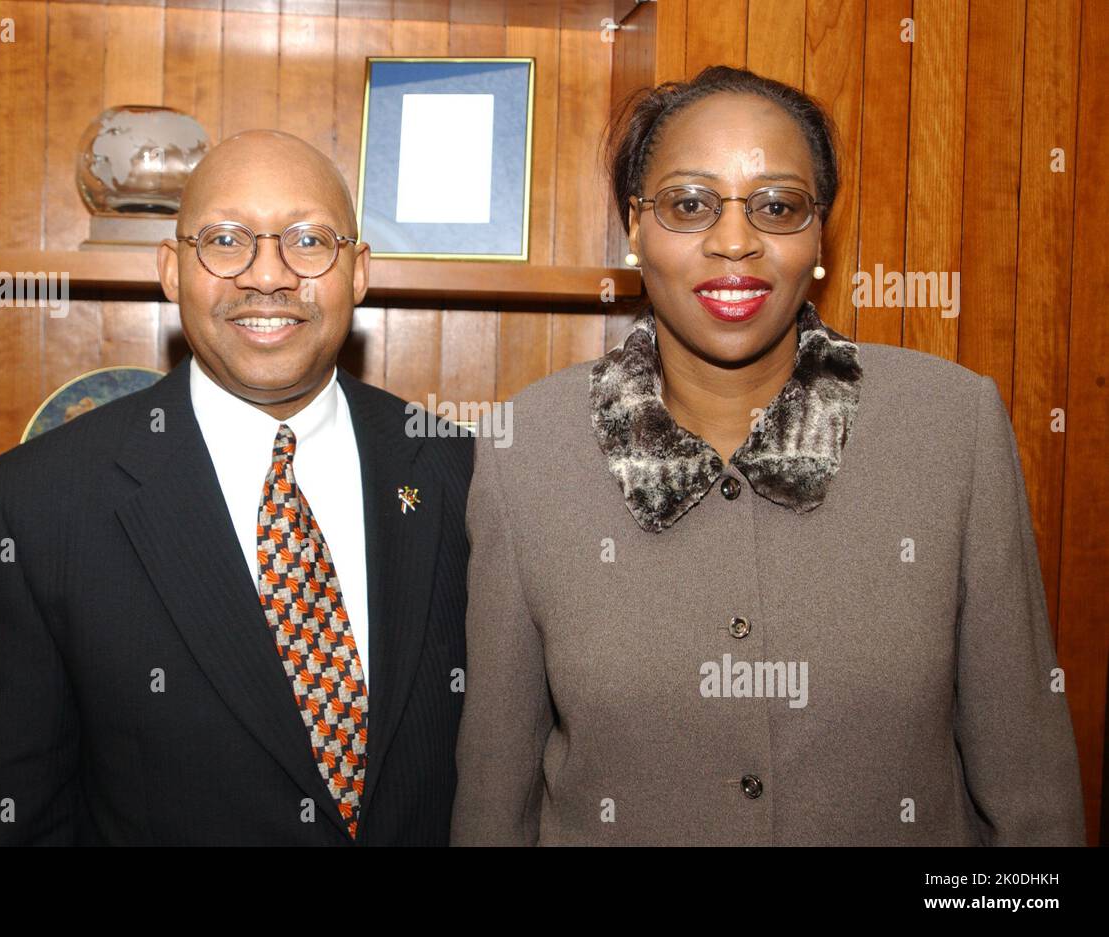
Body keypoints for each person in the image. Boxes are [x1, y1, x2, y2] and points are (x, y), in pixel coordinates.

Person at [450, 65, 1085, 846]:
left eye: (778, 207)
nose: (734, 241)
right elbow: (493, 800)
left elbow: (1029, 801)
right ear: (634, 225)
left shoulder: (952, 428)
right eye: (689, 203)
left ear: (820, 236)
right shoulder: (527, 450)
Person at [0, 129, 473, 845]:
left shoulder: (460, 473)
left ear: (359, 271)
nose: (268, 275)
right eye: (225, 240)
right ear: (170, 269)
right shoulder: (34, 511)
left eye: (309, 242)